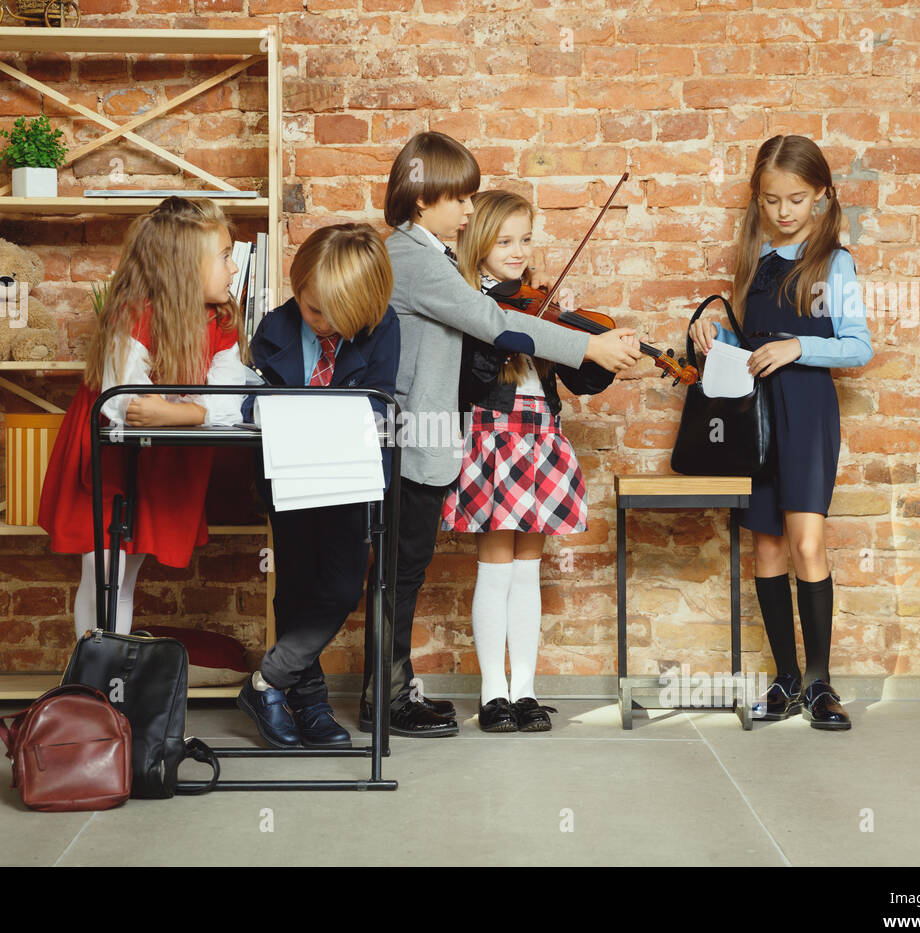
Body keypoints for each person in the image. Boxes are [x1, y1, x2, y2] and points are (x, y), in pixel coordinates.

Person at [363, 131, 646, 737]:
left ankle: (394, 691)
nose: (468, 210)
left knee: (406, 568)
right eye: (460, 198)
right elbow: (492, 323)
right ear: (422, 198)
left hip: (458, 432)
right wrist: (589, 341)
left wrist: (590, 355)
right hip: (428, 430)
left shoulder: (429, 254)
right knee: (401, 569)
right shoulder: (411, 257)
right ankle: (389, 697)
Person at [690, 134, 873, 730]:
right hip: (757, 419)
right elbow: (750, 347)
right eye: (771, 200)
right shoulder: (757, 261)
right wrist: (721, 339)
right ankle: (786, 679)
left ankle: (820, 684)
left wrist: (799, 346)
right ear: (757, 201)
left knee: (806, 545)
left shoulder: (833, 262)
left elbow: (857, 346)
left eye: (796, 198)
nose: (784, 211)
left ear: (820, 195)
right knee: (766, 546)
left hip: (807, 412)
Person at [444, 190, 625, 733]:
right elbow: (469, 379)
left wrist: (602, 349)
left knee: (528, 573)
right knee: (495, 571)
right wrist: (507, 329)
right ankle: (491, 693)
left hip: (541, 437)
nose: (518, 251)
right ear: (478, 244)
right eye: (504, 241)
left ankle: (523, 691)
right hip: (493, 439)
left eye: (525, 239)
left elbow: (583, 378)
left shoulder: (539, 303)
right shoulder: (471, 305)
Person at [37, 197, 248, 639]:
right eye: (225, 257)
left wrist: (174, 412)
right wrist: (188, 412)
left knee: (126, 576)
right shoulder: (132, 315)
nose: (234, 268)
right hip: (109, 457)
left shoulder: (222, 319)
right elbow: (125, 405)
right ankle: (93, 689)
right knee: (103, 571)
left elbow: (231, 402)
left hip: (158, 458)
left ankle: (109, 691)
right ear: (183, 267)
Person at [235, 224, 399, 749]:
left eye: (334, 315)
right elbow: (247, 401)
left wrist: (312, 414)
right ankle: (307, 700)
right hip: (289, 475)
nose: (322, 323)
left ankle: (269, 681)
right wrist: (278, 410)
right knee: (297, 588)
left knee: (344, 585)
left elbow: (381, 402)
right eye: (312, 309)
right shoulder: (274, 328)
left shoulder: (382, 326)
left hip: (348, 478)